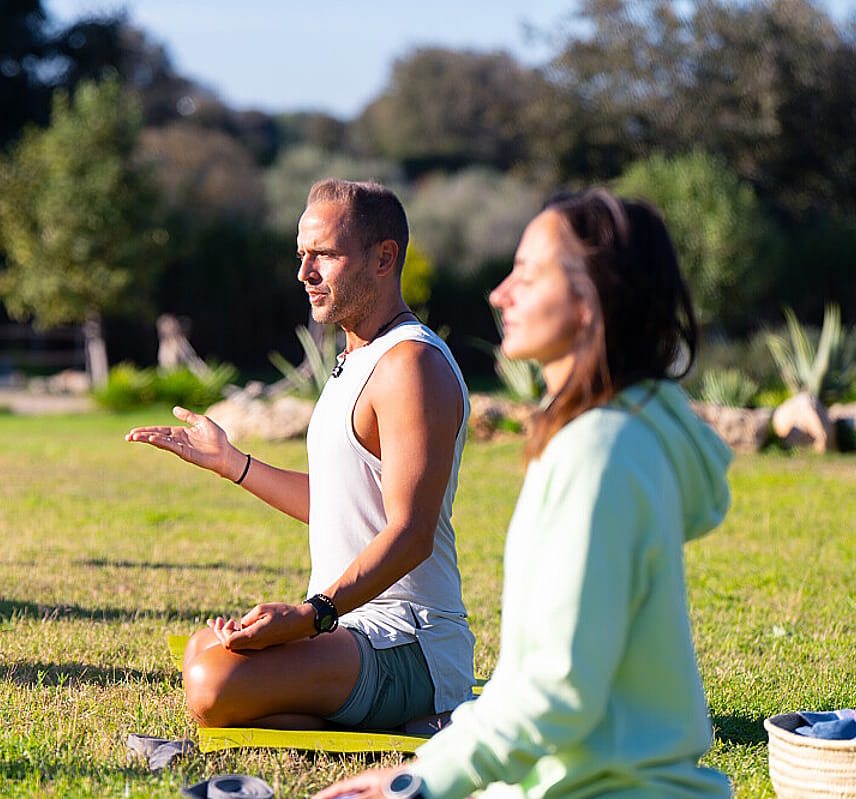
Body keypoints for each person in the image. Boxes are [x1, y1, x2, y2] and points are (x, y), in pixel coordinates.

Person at [314, 189, 734, 799]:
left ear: (593, 295)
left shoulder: (600, 453)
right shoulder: (633, 434)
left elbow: (555, 692)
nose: (498, 292)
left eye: (528, 275)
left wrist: (418, 784)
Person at [125, 179, 475, 732]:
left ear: (385, 258)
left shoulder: (412, 365)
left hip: (411, 643)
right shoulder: (356, 355)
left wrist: (313, 617)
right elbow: (343, 504)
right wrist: (233, 463)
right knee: (201, 651)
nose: (303, 274)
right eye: (301, 255)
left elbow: (411, 533)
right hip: (352, 630)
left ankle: (430, 718)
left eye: (325, 256)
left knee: (212, 682)